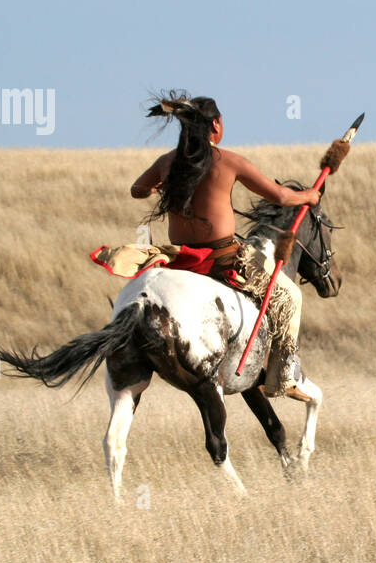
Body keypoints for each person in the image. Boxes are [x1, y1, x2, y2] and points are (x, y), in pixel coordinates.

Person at [130, 92, 320, 396]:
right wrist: (308, 197)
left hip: (180, 258)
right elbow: (281, 197)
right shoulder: (229, 160)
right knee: (290, 297)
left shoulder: (167, 161)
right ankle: (282, 377)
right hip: (224, 259)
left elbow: (137, 189)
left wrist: (158, 186)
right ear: (215, 125)